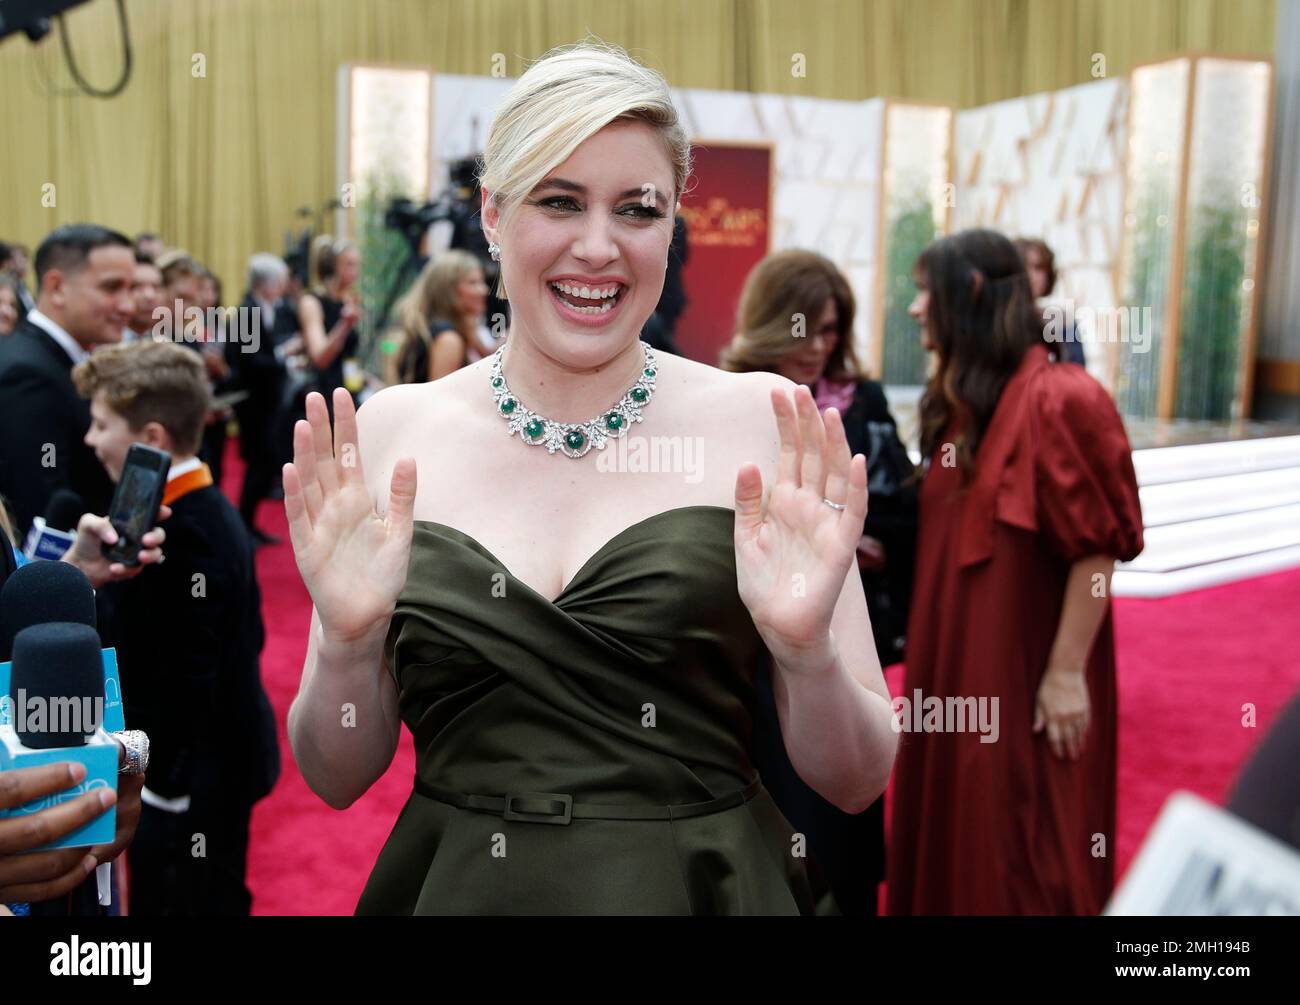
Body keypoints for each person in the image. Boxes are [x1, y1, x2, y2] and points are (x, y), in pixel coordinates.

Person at [282, 39, 898, 916]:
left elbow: (856, 781)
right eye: (559, 202)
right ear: (492, 214)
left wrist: (805, 654)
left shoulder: (766, 420)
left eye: (638, 210)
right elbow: (334, 775)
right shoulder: (391, 433)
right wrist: (346, 646)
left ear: (672, 223)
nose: (599, 248)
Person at [886, 229, 1144, 916]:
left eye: (924, 291)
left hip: (1026, 673)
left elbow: (1098, 550)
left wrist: (1065, 672)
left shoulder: (1064, 399)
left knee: (1027, 851)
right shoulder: (960, 407)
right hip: (954, 671)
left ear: (968, 294)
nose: (914, 310)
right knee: (959, 834)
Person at [720, 248, 918, 916]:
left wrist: (862, 536)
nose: (820, 346)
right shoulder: (724, 400)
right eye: (807, 326)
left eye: (833, 330)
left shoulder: (861, 400)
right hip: (747, 643)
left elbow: (901, 501)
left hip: (843, 626)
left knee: (841, 821)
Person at [74, 340, 280, 915]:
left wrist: (163, 789)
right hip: (193, 770)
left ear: (153, 440)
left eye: (101, 424)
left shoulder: (189, 531)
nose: (90, 440)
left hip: (193, 781)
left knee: (190, 900)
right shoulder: (181, 510)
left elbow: (193, 676)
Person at [0, 224, 132, 533]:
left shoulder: (50, 356)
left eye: (130, 288)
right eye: (112, 288)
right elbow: (40, 514)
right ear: (57, 287)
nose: (128, 305)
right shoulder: (28, 373)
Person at [231, 253, 294, 544]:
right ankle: (244, 526)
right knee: (257, 465)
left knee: (262, 465)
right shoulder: (248, 312)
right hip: (253, 405)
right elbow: (250, 363)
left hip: (264, 402)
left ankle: (248, 525)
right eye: (278, 282)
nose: (282, 288)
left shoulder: (260, 309)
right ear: (266, 284)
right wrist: (286, 363)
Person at [394, 250, 490, 383]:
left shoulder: (448, 331)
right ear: (448, 289)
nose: (483, 290)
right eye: (472, 283)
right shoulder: (448, 339)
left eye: (481, 282)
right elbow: (439, 401)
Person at [298, 236, 361, 416]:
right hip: (324, 392)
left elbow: (349, 357)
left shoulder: (348, 300)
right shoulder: (311, 302)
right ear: (333, 266)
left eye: (357, 265)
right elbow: (320, 358)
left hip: (349, 387)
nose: (355, 271)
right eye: (349, 264)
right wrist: (344, 325)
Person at [1014, 237, 1085, 366]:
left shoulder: (1063, 321)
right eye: (1024, 266)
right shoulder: (1000, 322)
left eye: (1038, 267)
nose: (1031, 275)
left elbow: (1076, 373)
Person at [122, 252, 164, 343]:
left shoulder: (167, 346)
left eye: (156, 287)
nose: (150, 296)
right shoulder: (99, 347)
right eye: (136, 286)